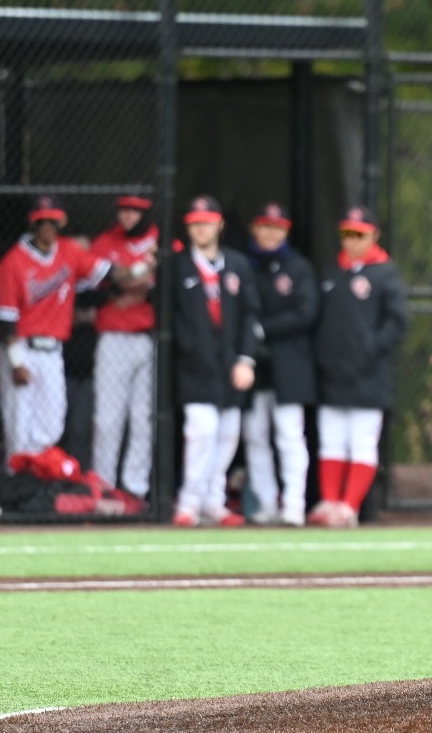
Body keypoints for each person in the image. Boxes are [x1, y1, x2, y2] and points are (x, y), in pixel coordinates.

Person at [312, 206, 408, 528]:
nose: (351, 241)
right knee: (331, 440)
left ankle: (349, 508)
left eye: (359, 235)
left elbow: (397, 324)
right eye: (346, 234)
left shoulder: (385, 273)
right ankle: (329, 503)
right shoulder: (332, 272)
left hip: (369, 376)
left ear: (373, 235)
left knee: (362, 442)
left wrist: (369, 350)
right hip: (333, 374)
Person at [0, 196, 108, 458]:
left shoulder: (69, 251)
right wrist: (16, 362)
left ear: (61, 221)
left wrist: (143, 269)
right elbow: (5, 322)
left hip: (52, 350)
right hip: (22, 347)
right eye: (41, 221)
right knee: (19, 428)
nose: (47, 226)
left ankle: (37, 481)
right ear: (32, 223)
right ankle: (18, 485)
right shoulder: (13, 262)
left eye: (52, 221)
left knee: (52, 424)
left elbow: (109, 274)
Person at [170, 195, 256, 528]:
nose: (200, 229)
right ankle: (190, 502)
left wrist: (245, 360)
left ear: (219, 224)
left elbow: (251, 315)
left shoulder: (237, 264)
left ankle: (213, 501)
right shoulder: (178, 265)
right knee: (201, 432)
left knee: (228, 435)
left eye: (206, 222)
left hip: (231, 367)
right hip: (195, 368)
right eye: (194, 223)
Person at [242, 202, 318, 526]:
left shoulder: (299, 268)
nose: (271, 233)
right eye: (265, 226)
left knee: (289, 436)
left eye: (277, 228)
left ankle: (293, 507)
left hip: (290, 365)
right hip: (253, 365)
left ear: (285, 231)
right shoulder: (244, 266)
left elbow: (307, 313)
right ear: (255, 229)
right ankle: (267, 504)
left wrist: (262, 328)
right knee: (255, 435)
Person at [88, 191, 158, 497]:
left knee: (143, 418)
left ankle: (135, 487)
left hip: (148, 337)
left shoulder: (162, 241)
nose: (128, 216)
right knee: (107, 418)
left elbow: (174, 287)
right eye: (124, 210)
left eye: (135, 211)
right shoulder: (105, 243)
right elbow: (89, 290)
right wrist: (125, 287)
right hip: (113, 337)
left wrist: (142, 293)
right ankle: (103, 484)